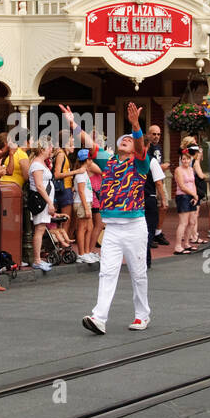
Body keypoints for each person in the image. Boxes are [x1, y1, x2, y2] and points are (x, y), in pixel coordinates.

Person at [71, 103, 150, 335]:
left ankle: (142, 315)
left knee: (138, 272)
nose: (126, 140)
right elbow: (90, 144)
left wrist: (135, 124)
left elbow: (141, 145)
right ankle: (99, 317)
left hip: (135, 226)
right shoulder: (110, 161)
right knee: (107, 272)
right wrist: (73, 124)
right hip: (113, 228)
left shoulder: (140, 164)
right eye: (123, 138)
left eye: (130, 140)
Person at [28, 142, 59, 271]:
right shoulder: (36, 165)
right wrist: (50, 203)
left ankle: (38, 259)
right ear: (42, 149)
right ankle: (37, 260)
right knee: (39, 229)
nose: (51, 149)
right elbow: (39, 186)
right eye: (49, 147)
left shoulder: (41, 164)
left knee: (41, 228)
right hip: (41, 201)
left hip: (45, 201)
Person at [145, 124, 170, 246]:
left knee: (164, 206)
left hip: (159, 179)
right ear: (148, 134)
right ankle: (151, 234)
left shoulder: (158, 147)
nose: (156, 136)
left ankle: (157, 232)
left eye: (158, 134)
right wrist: (162, 167)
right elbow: (148, 166)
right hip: (150, 182)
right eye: (154, 134)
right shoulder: (147, 148)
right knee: (152, 208)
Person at [172, 148, 199, 254]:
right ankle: (178, 246)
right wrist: (193, 194)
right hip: (183, 196)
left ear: (190, 159)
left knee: (192, 222)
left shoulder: (191, 170)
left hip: (192, 196)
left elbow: (193, 184)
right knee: (183, 222)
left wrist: (195, 195)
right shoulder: (178, 170)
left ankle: (187, 243)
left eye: (187, 159)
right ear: (181, 160)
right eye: (183, 159)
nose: (185, 161)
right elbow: (182, 186)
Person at [71, 148, 96, 263]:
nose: (92, 161)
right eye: (90, 159)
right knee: (82, 228)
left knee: (89, 227)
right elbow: (81, 191)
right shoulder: (81, 173)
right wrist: (86, 207)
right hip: (82, 203)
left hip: (85, 202)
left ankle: (86, 252)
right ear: (87, 160)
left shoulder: (83, 172)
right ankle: (81, 253)